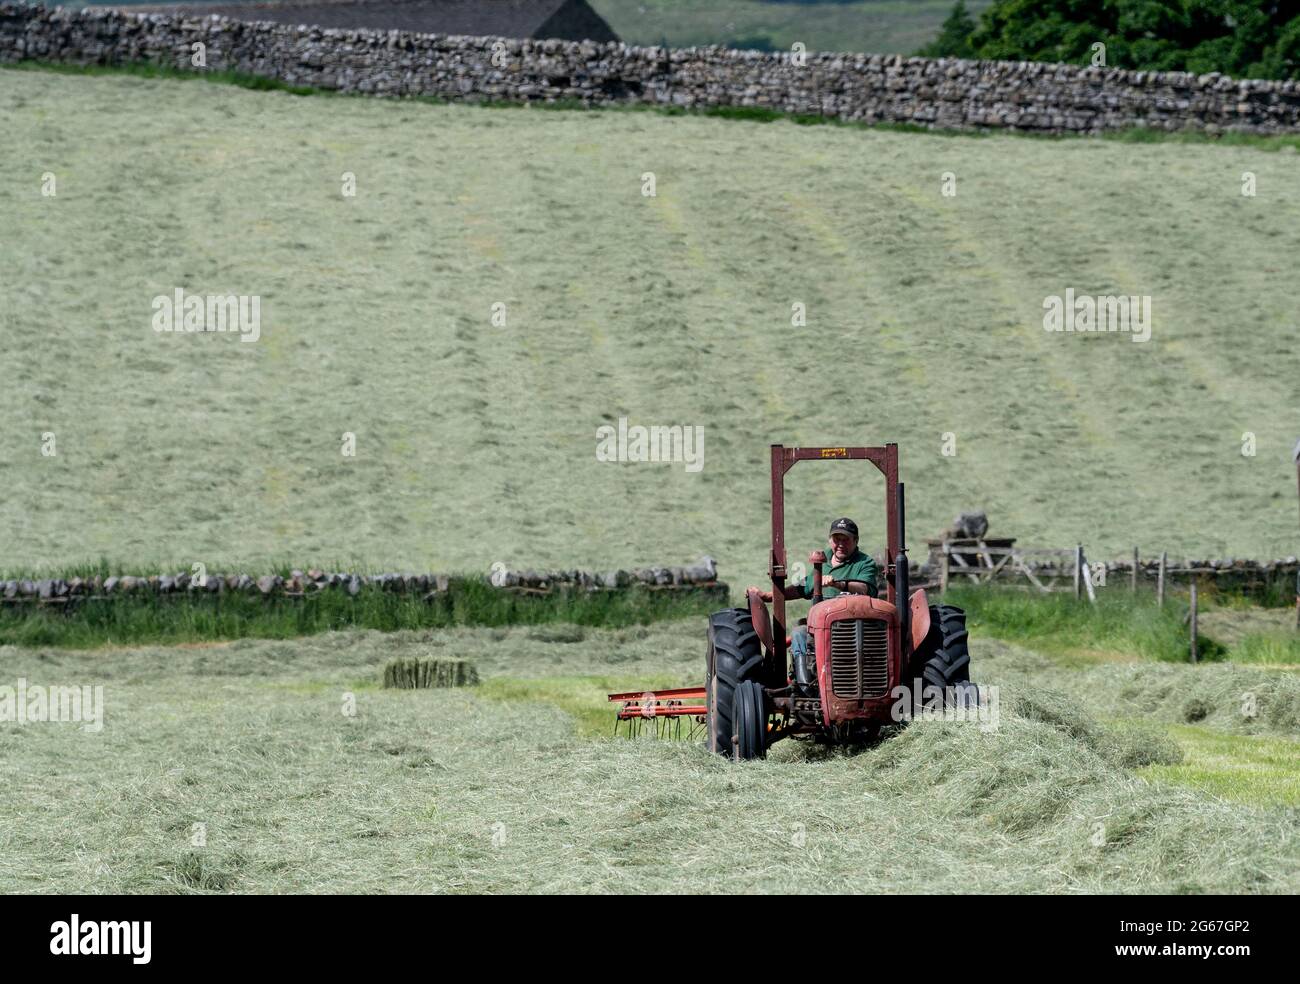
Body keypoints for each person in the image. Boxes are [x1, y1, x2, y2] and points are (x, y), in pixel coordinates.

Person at [747, 517, 879, 685]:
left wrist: (838, 584)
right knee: (799, 633)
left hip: (853, 627)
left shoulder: (864, 563)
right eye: (836, 539)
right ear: (830, 540)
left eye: (845, 539)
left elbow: (864, 588)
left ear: (856, 541)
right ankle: (804, 684)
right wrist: (770, 596)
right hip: (821, 626)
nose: (840, 544)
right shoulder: (823, 561)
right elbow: (803, 587)